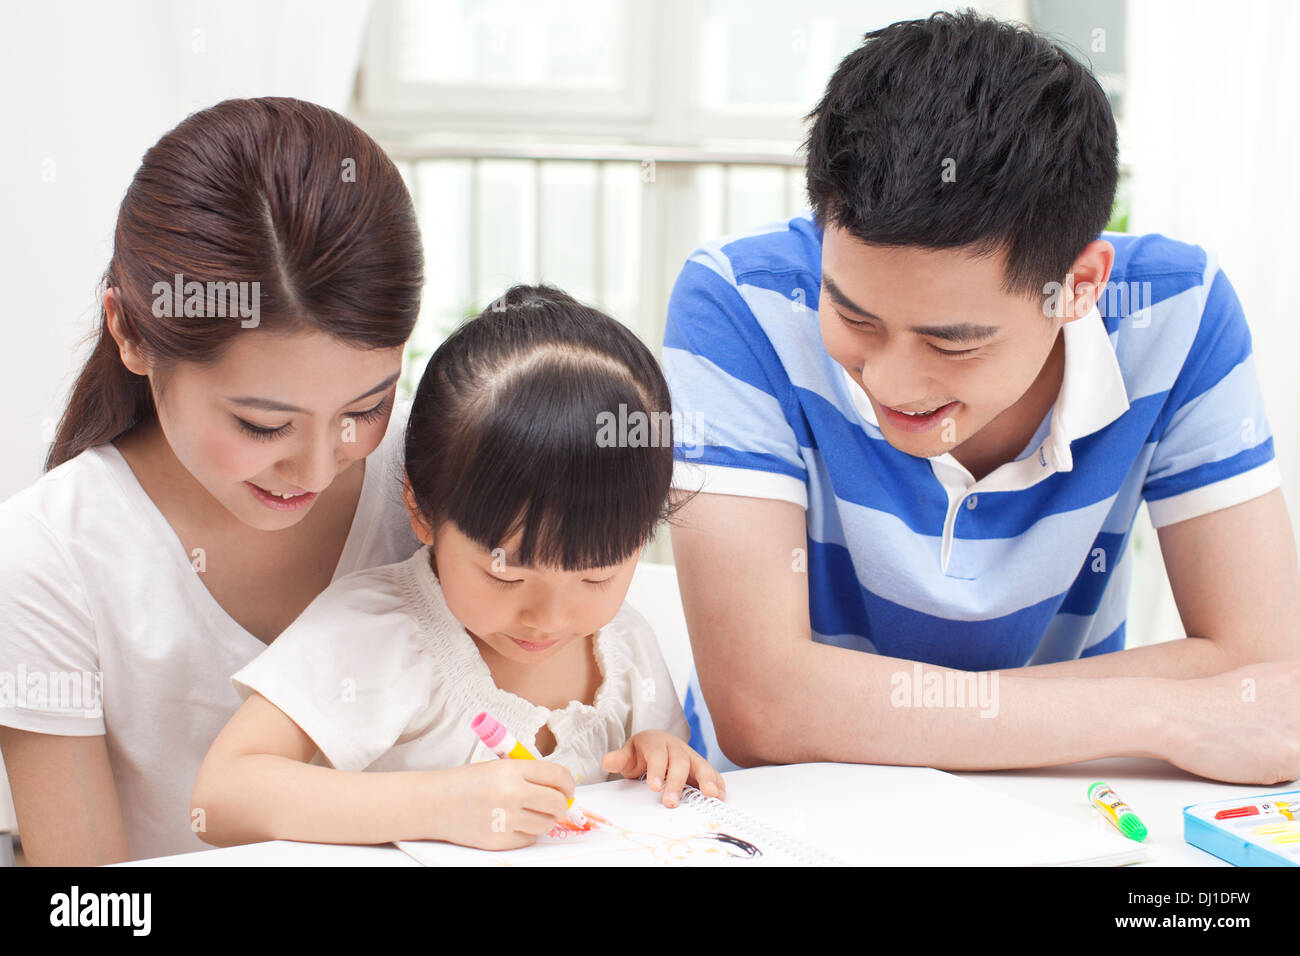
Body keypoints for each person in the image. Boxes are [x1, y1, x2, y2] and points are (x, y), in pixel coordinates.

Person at [663, 11, 1300, 783]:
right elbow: (762, 706)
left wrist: (861, 706)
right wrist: (1154, 713)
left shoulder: (1177, 313)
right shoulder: (741, 301)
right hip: (776, 812)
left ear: (1079, 287)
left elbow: (1264, 670)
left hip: (1059, 805)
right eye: (854, 318)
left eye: (952, 343)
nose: (891, 384)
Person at [0, 97, 425, 863]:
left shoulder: (436, 475)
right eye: (262, 425)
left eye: (365, 408)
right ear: (130, 331)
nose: (318, 467)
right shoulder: (46, 559)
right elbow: (90, 905)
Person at [191, 285, 723, 851]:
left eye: (596, 577)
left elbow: (651, 790)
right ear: (422, 510)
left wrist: (659, 757)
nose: (548, 617)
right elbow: (222, 796)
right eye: (506, 576)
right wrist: (443, 805)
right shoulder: (380, 633)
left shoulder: (625, 645)